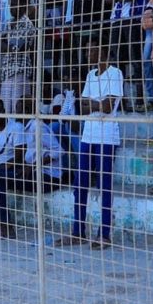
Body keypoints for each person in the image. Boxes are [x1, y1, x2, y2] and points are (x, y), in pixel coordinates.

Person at [63, 37, 123, 249]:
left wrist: (94, 104)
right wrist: (97, 104)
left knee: (104, 185)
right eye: (87, 50)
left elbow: (108, 107)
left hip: (106, 136)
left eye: (92, 50)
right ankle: (78, 231)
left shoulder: (115, 73)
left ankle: (104, 233)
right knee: (80, 184)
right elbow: (82, 105)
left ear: (102, 50)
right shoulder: (90, 75)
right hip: (88, 135)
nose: (88, 54)